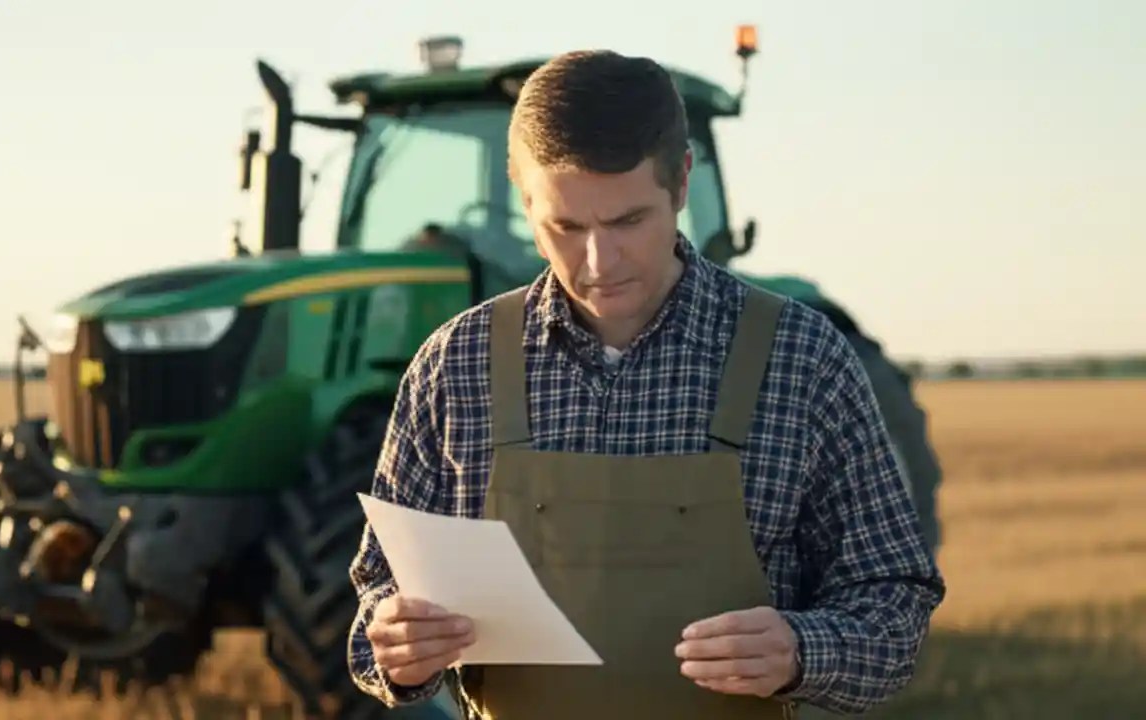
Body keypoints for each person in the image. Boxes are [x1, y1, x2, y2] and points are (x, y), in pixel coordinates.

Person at [347, 49, 945, 718]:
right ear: (524, 199)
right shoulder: (452, 369)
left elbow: (893, 603)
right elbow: (381, 594)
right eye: (565, 228)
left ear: (681, 181)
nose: (599, 262)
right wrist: (396, 645)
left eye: (629, 221)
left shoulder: (802, 361)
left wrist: (803, 650)